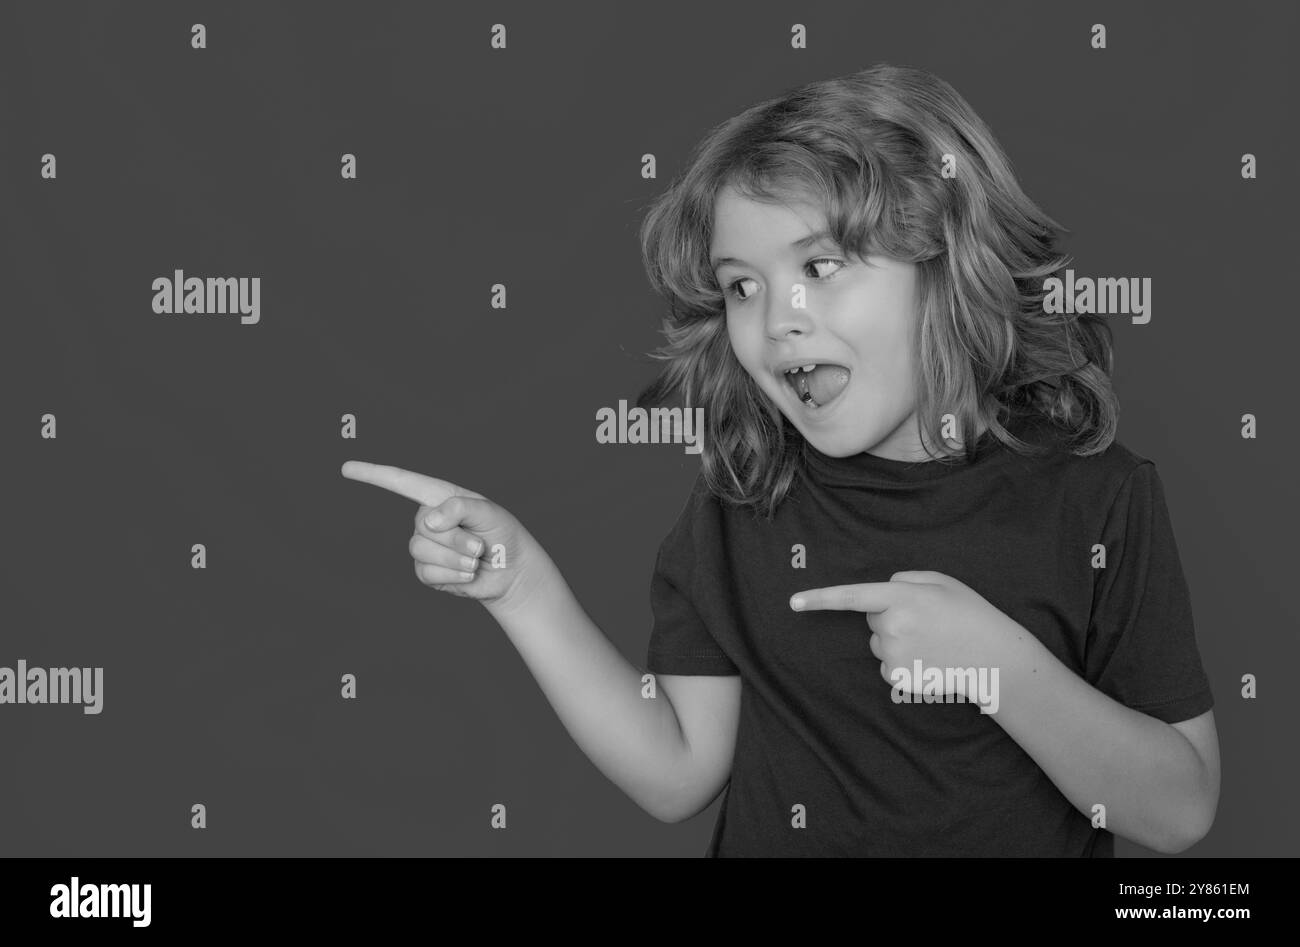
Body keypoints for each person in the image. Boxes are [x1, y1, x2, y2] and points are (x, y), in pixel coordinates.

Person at [341, 63, 1220, 857]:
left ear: (947, 264)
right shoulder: (744, 499)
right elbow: (676, 772)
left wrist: (996, 668)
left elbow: (1178, 812)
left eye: (823, 264)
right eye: (742, 285)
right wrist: (522, 586)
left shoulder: (1099, 500)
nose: (778, 318)